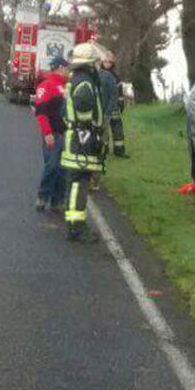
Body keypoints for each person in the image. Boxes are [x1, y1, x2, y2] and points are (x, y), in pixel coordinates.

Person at [60, 42, 107, 242]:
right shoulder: (85, 83)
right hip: (82, 140)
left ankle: (75, 224)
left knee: (75, 183)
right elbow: (83, 108)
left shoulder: (75, 79)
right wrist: (91, 130)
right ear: (90, 63)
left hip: (76, 138)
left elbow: (65, 112)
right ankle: (76, 228)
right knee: (79, 183)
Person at [34, 57, 69, 213]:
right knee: (52, 166)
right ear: (60, 67)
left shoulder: (66, 87)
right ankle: (43, 197)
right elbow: (41, 113)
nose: (67, 71)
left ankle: (58, 201)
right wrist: (47, 133)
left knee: (63, 170)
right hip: (53, 133)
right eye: (66, 68)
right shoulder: (46, 86)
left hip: (66, 134)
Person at [99, 54, 128, 158]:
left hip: (114, 107)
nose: (107, 64)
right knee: (103, 130)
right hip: (103, 106)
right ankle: (103, 150)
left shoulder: (116, 77)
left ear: (112, 63)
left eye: (109, 62)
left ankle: (119, 150)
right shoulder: (99, 75)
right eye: (105, 61)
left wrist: (121, 103)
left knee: (117, 129)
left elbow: (119, 93)